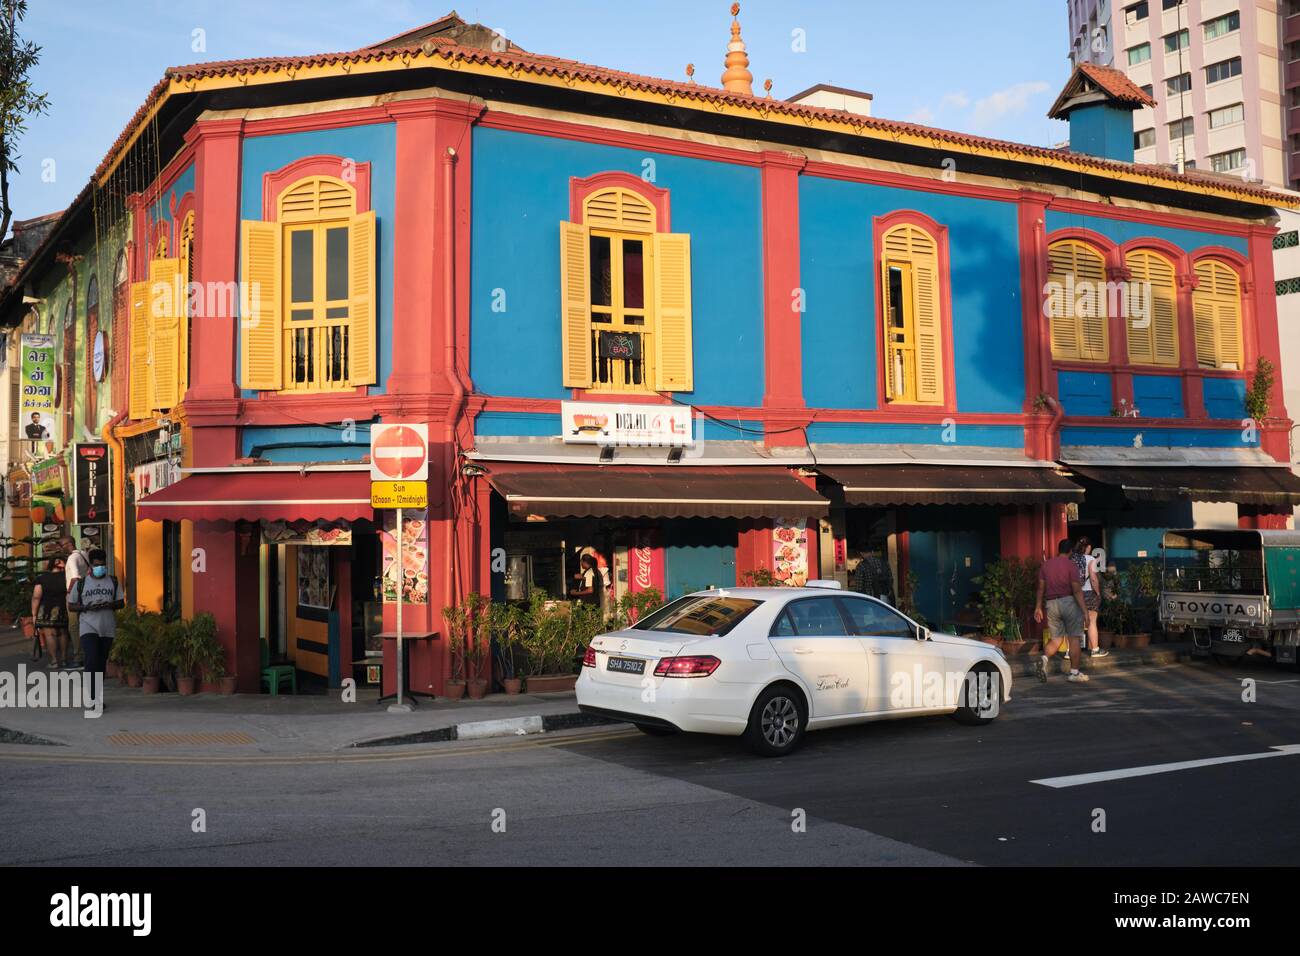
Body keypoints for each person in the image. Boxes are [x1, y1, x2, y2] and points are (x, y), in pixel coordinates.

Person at [1033, 539, 1091, 683]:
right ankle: (1074, 673)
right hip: (1069, 602)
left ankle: (1043, 659)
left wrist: (1038, 607)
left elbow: (1040, 588)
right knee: (1074, 638)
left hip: (1051, 604)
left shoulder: (1046, 566)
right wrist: (1085, 611)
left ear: (1059, 550)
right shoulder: (1071, 565)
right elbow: (1077, 590)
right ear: (1070, 551)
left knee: (1056, 639)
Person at [67, 549, 125, 686]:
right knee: (91, 658)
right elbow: (71, 606)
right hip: (88, 625)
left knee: (101, 661)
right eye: (97, 565)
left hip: (107, 627)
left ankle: (97, 692)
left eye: (102, 565)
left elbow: (121, 603)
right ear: (90, 566)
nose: (100, 568)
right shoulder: (81, 584)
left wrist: (109, 605)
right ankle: (92, 695)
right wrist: (86, 607)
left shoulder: (113, 581)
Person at [1071, 536, 1108, 659]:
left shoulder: (1072, 559)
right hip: (1088, 594)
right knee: (1091, 622)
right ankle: (1095, 650)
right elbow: (1093, 578)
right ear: (1087, 547)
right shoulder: (1090, 559)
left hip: (1075, 594)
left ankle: (1069, 651)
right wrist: (1097, 592)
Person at [31, 556, 69, 669]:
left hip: (47, 610)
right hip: (63, 608)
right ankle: (64, 660)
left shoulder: (42, 578)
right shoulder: (67, 577)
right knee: (63, 633)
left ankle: (54, 661)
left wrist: (34, 614)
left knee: (49, 634)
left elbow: (36, 597)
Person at [61, 535, 90, 669]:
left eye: (62, 545)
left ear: (69, 544)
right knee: (85, 625)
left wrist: (69, 595)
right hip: (86, 594)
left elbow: (76, 577)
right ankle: (87, 654)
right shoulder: (83, 554)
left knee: (73, 626)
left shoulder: (72, 558)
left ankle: (78, 657)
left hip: (75, 596)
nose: (61, 548)